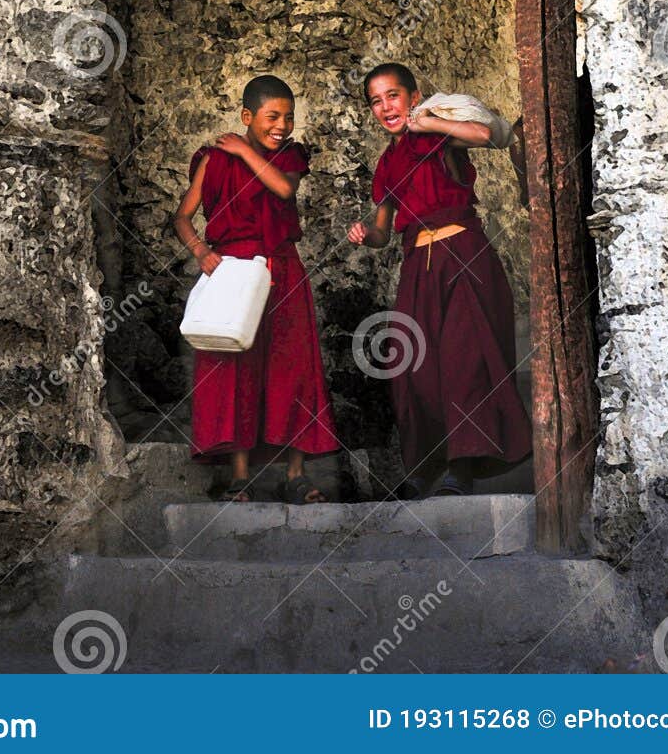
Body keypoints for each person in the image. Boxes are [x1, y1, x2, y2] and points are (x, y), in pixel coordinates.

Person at [347, 63, 531, 498]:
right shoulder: (387, 163)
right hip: (417, 268)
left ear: (414, 96)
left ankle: (461, 467)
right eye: (376, 101)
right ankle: (424, 467)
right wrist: (364, 233)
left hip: (464, 257)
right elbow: (382, 230)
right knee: (413, 367)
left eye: (393, 95)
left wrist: (427, 120)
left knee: (463, 360)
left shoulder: (436, 132)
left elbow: (484, 136)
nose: (385, 107)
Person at [175, 75, 338, 502]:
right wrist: (200, 252)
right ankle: (240, 475)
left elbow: (282, 189)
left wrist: (245, 150)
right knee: (233, 370)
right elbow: (182, 217)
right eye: (272, 116)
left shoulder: (289, 156)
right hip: (230, 272)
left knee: (294, 368)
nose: (282, 125)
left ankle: (296, 474)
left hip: (281, 270)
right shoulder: (213, 160)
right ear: (248, 116)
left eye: (288, 116)